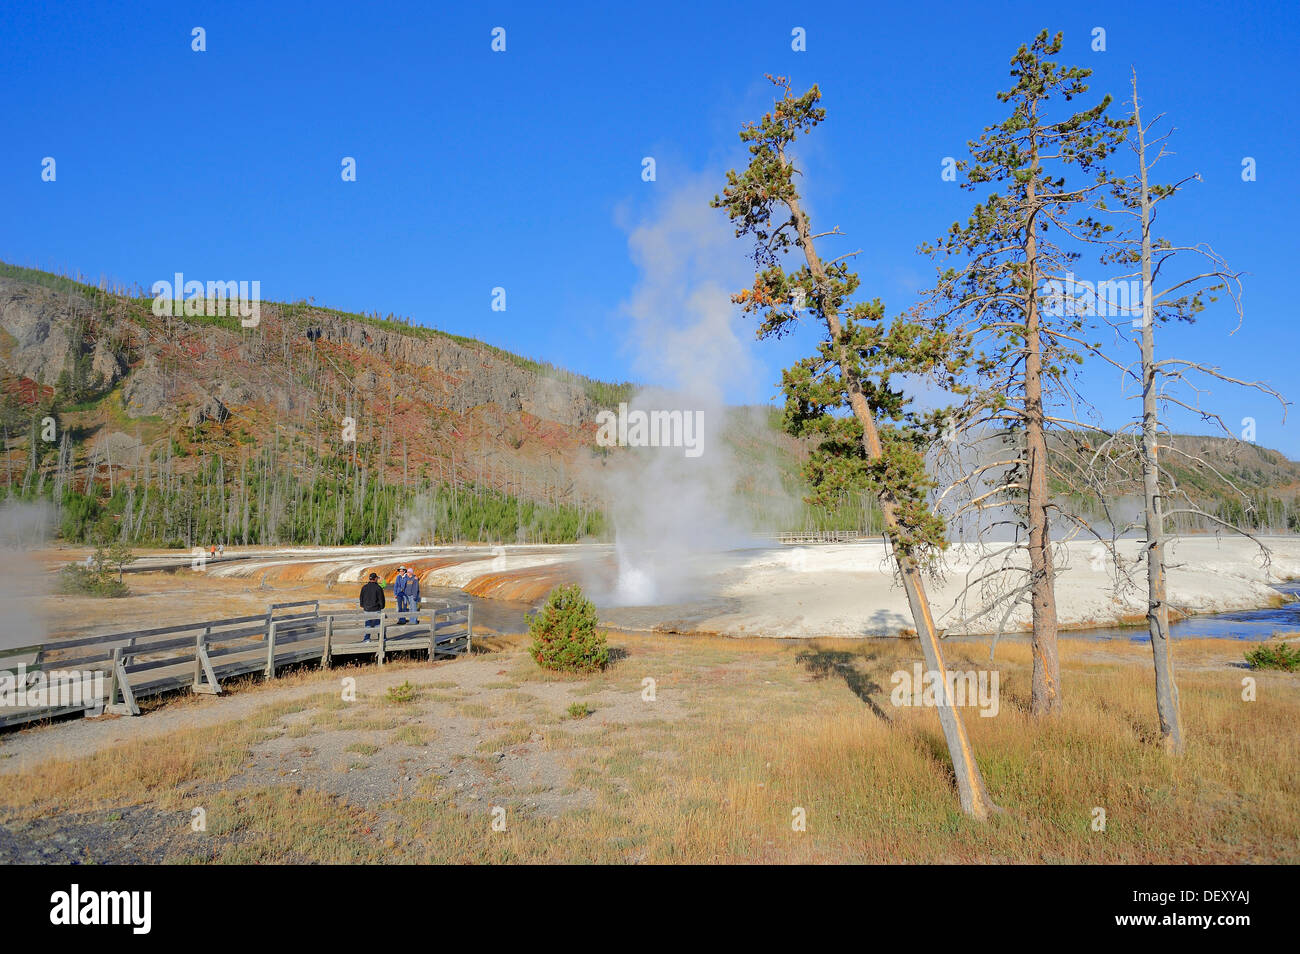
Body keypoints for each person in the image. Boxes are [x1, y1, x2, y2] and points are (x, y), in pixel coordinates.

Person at [359, 572, 385, 640]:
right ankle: (381, 638)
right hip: (376, 609)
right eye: (377, 578)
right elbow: (381, 599)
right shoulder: (378, 588)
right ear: (375, 578)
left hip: (367, 609)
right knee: (378, 624)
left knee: (368, 624)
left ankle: (367, 639)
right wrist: (382, 606)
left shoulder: (364, 587)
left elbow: (361, 597)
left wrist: (362, 605)